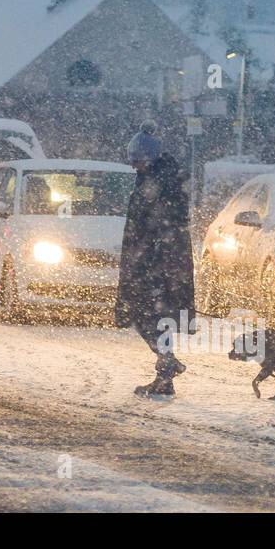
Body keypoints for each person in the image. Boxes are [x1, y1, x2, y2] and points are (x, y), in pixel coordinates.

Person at [117, 121, 195, 398]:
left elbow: (164, 223)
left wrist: (152, 256)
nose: (135, 166)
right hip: (154, 259)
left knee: (150, 314)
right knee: (151, 315)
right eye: (133, 161)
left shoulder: (160, 181)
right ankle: (166, 370)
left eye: (138, 161)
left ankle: (166, 368)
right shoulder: (157, 177)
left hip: (156, 261)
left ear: (148, 158)